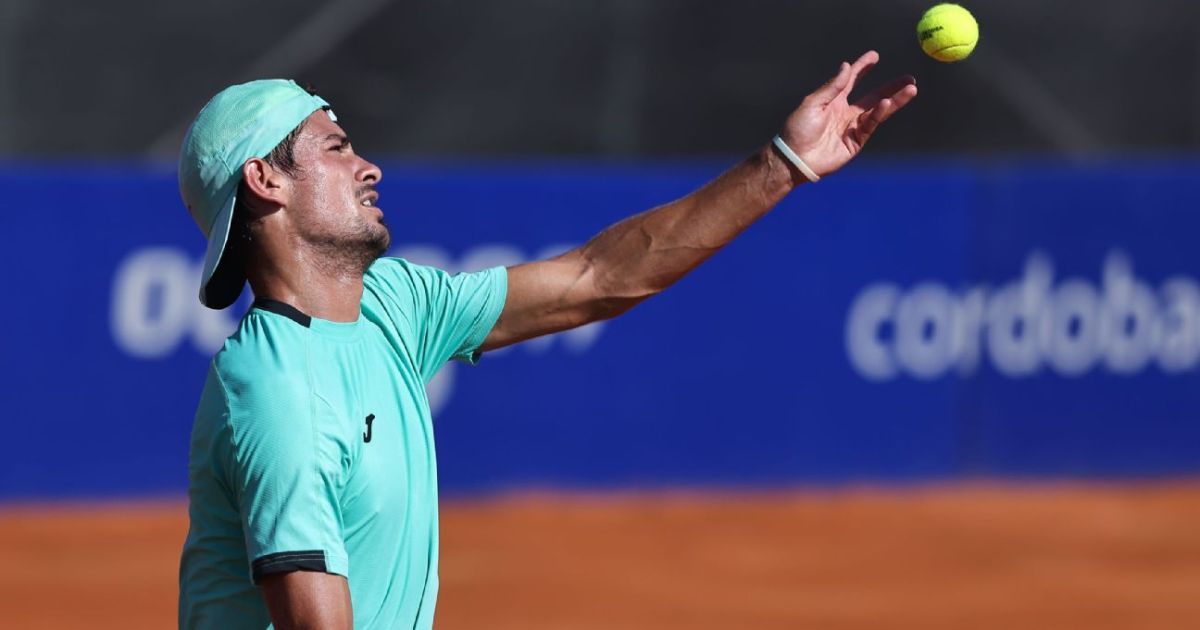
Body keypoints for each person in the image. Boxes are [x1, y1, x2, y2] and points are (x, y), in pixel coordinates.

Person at [177, 50, 916, 629]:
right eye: (336, 148)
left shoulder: (391, 305)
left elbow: (597, 276)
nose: (367, 167)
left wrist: (783, 164)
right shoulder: (281, 393)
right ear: (266, 181)